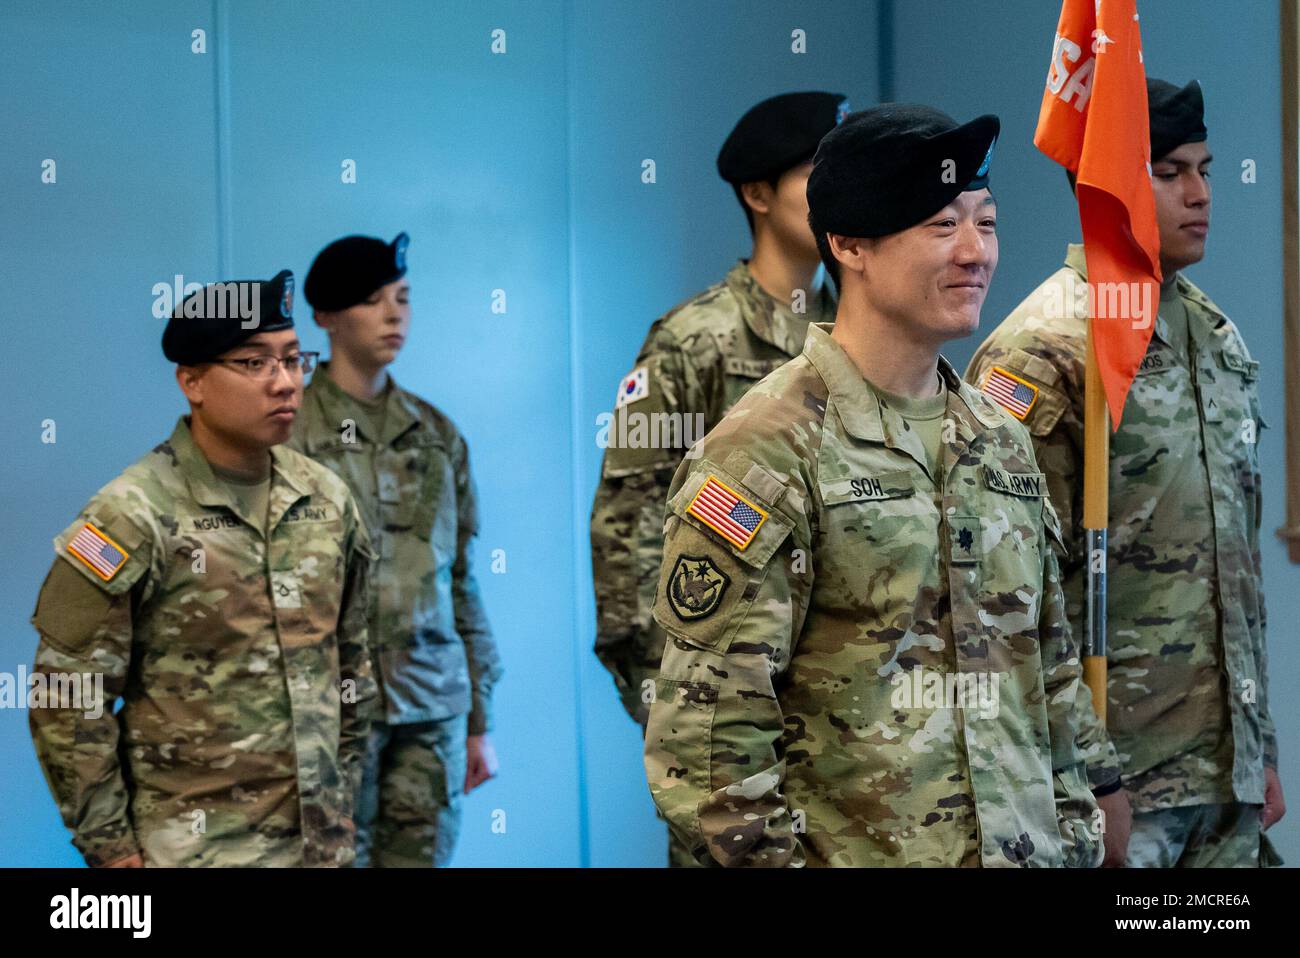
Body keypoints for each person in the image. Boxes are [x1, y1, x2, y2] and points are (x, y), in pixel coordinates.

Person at [643, 104, 1103, 867]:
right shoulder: (765, 451)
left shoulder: (1000, 439)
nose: (975, 252)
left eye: (986, 223)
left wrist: (1078, 835)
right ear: (849, 243)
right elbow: (709, 747)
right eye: (941, 226)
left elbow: (1048, 671)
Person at [967, 78, 1284, 868]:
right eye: (1169, 172)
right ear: (1106, 186)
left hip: (1223, 775)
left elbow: (1237, 567)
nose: (1200, 194)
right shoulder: (1043, 349)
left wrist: (1259, 747)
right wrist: (1081, 774)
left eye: (1205, 170)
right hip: (1112, 782)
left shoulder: (1216, 336)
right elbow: (1008, 591)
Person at [29, 270, 377, 867]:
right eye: (255, 363)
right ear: (191, 381)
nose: (285, 382)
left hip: (318, 851)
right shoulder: (130, 515)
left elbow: (351, 664)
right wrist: (110, 848)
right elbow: (67, 694)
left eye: (294, 360)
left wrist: (340, 799)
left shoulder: (326, 499)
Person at [289, 233, 503, 867]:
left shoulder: (435, 435)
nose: (394, 315)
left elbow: (459, 580)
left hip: (430, 708)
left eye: (403, 298)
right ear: (326, 316)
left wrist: (479, 721)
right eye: (372, 300)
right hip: (326, 713)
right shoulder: (289, 433)